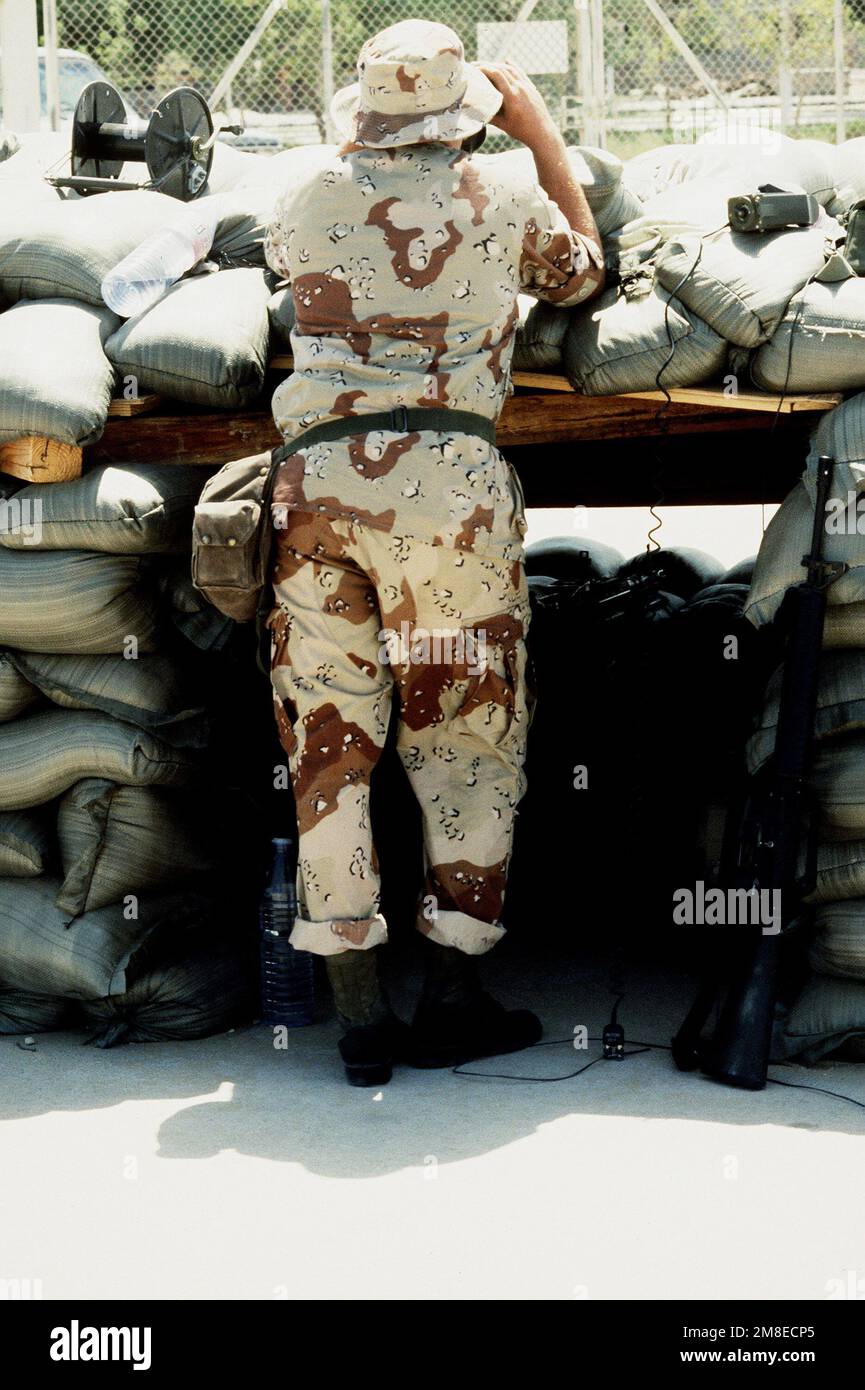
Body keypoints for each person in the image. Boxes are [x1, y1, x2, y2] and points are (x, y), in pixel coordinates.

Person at [263, 19, 605, 1086]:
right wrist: (540, 134)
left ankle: (357, 1010)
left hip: (314, 489)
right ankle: (452, 991)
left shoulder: (304, 195)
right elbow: (582, 275)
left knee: (329, 740)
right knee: (463, 739)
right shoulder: (500, 195)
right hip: (447, 500)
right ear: (467, 112)